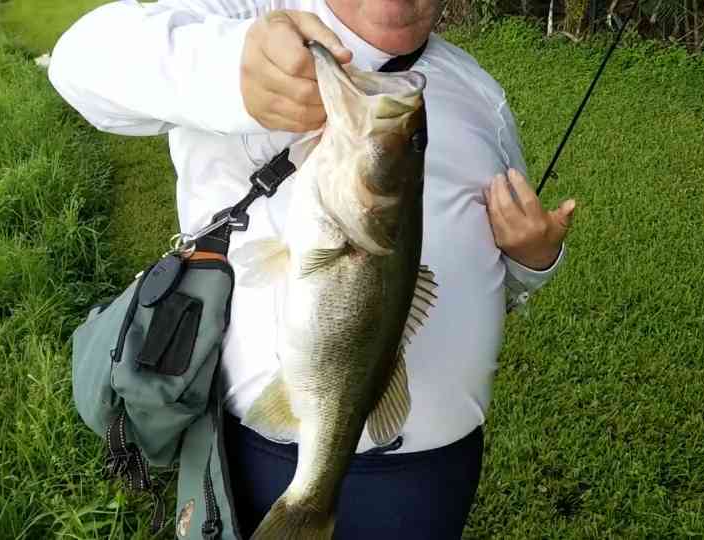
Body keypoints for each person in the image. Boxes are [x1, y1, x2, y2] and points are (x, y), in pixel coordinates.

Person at [49, 0, 576, 537]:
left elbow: (500, 274)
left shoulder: (481, 93)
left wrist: (531, 260)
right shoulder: (246, 17)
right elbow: (79, 61)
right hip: (256, 454)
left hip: (433, 475)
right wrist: (232, 70)